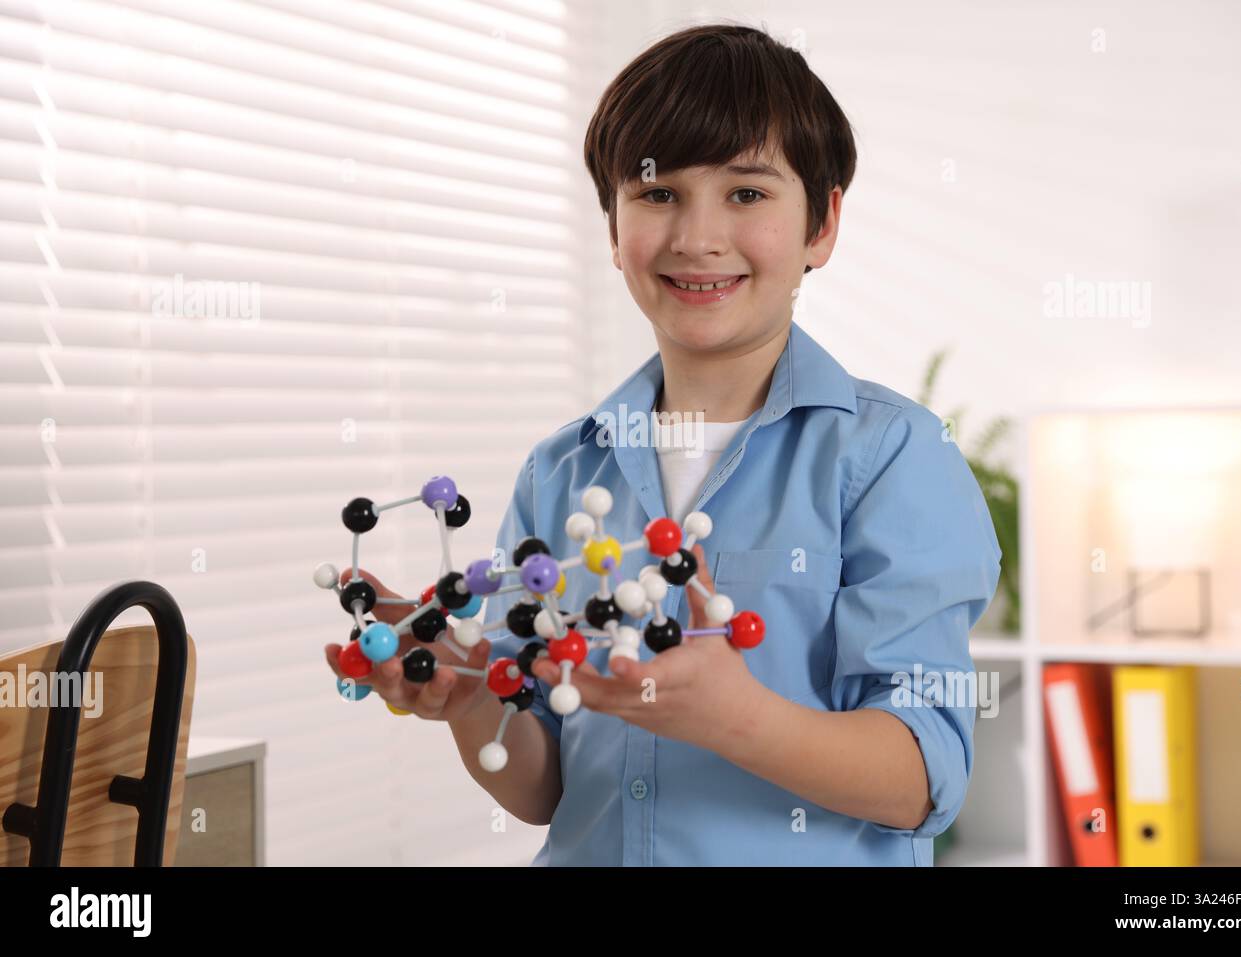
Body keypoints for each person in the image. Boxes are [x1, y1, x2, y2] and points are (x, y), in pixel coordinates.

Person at [325, 22, 1002, 866]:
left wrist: (734, 716)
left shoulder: (893, 457)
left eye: (748, 194)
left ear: (822, 224)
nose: (696, 237)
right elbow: (543, 788)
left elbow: (924, 778)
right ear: (614, 226)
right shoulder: (560, 469)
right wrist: (466, 693)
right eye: (658, 194)